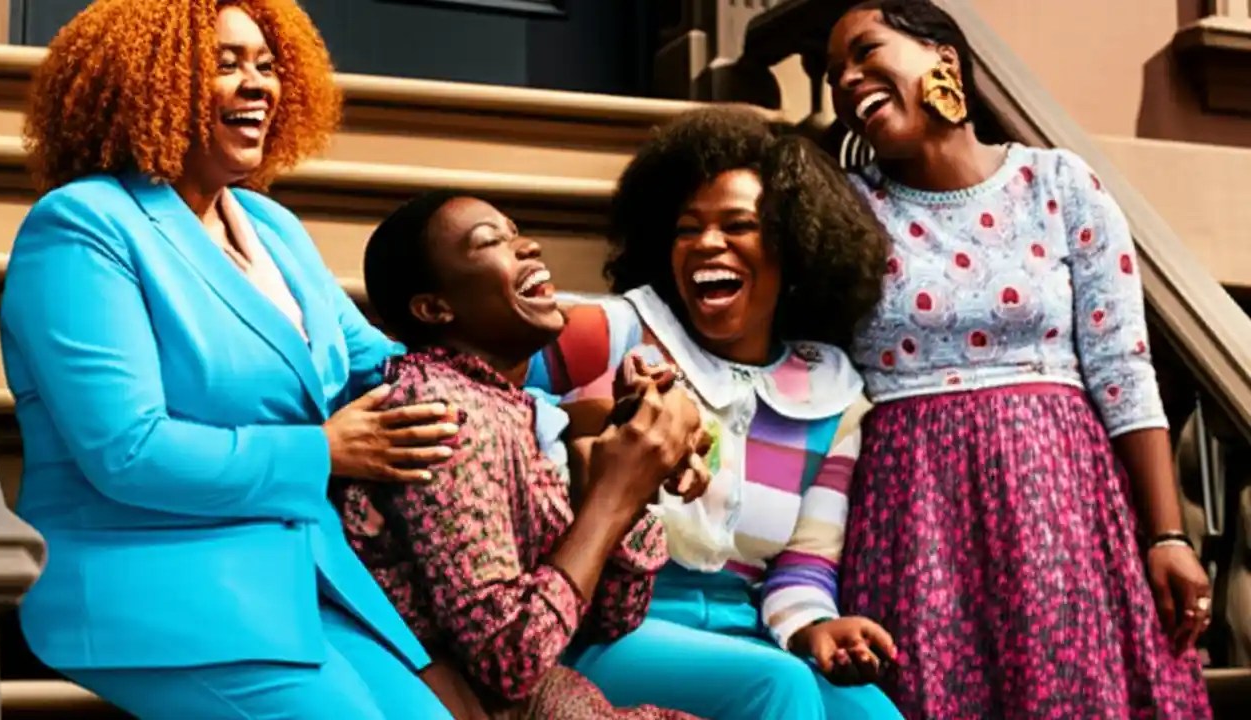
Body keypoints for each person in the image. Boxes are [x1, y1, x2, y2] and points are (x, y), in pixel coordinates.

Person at [1, 1, 456, 716]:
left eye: (268, 66)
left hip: (304, 582)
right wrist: (324, 452)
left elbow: (382, 365)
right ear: (150, 81)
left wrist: (577, 398)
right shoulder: (83, 226)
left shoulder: (271, 225)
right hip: (158, 593)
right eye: (226, 64)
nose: (259, 86)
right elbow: (127, 449)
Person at [824, 1, 1213, 717]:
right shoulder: (841, 211)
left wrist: (1166, 535)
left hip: (1060, 509)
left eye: (866, 51)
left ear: (943, 58)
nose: (847, 79)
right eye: (833, 73)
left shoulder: (1059, 186)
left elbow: (1123, 368)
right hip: (913, 519)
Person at [525, 108, 904, 720]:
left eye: (739, 226)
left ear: (795, 247)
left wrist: (815, 631)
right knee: (775, 687)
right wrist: (578, 419)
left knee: (872, 714)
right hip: (611, 624)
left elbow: (803, 567)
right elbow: (480, 374)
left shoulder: (832, 395)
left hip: (747, 627)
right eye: (686, 229)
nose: (707, 243)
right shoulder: (611, 331)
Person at [335, 191, 705, 719]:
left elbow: (612, 618)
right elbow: (510, 659)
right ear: (435, 307)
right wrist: (613, 496)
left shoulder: (505, 403)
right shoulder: (441, 410)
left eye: (516, 232)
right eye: (491, 242)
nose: (528, 247)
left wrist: (625, 467)